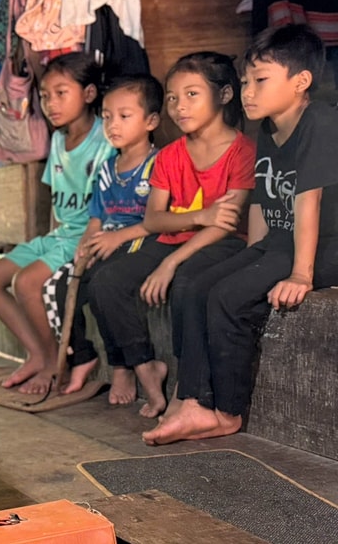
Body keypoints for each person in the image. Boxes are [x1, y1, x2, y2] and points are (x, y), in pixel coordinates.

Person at [143, 25, 338, 445]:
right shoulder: (265, 128)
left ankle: (226, 412)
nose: (247, 91)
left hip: (322, 246)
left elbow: (309, 202)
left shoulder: (319, 121)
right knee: (195, 283)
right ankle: (191, 398)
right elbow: (263, 203)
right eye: (246, 82)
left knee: (227, 297)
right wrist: (247, 258)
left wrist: (302, 276)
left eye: (260, 81)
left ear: (300, 81)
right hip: (279, 243)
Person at [88, 52, 256, 420]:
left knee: (185, 283)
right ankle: (145, 365)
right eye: (173, 98)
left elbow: (224, 224)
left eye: (192, 94)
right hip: (172, 239)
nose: (180, 106)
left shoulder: (242, 151)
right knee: (106, 281)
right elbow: (153, 220)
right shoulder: (170, 155)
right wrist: (198, 215)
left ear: (225, 95)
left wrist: (171, 262)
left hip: (220, 243)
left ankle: (186, 388)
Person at [0, 52, 115, 396]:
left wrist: (83, 244)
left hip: (87, 235)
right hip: (59, 236)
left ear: (88, 94)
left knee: (27, 283)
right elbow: (58, 204)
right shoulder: (57, 140)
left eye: (61, 93)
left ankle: (57, 361)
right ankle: (38, 354)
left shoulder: (106, 139)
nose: (51, 103)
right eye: (44, 96)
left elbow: (106, 208)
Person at [45, 75, 162, 398]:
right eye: (107, 117)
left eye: (124, 117)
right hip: (106, 242)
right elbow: (97, 217)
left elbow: (157, 221)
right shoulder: (108, 168)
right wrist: (86, 242)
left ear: (151, 121)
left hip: (140, 240)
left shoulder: (159, 164)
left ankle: (123, 365)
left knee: (102, 286)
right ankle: (85, 355)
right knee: (62, 284)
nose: (113, 125)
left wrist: (115, 239)